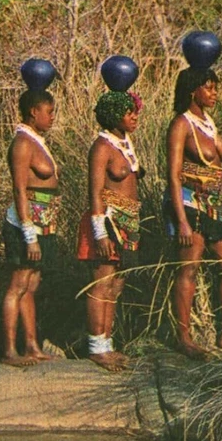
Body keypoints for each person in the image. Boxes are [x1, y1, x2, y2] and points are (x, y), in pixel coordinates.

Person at [165, 65, 222, 358]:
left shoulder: (207, 123)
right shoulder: (181, 125)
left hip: (216, 202)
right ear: (192, 90)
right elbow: (173, 175)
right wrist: (182, 221)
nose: (214, 93)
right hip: (189, 200)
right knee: (189, 268)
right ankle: (183, 337)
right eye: (208, 87)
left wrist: (212, 126)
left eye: (215, 87)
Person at [76, 66, 145, 372]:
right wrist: (100, 232)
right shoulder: (101, 148)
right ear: (113, 114)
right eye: (128, 113)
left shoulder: (125, 145)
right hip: (106, 220)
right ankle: (96, 347)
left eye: (134, 112)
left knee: (116, 285)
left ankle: (108, 344)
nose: (134, 117)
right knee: (101, 283)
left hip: (128, 220)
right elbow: (94, 193)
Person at [2, 63, 60, 367]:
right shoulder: (22, 144)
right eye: (48, 111)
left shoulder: (36, 140)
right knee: (17, 284)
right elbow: (19, 190)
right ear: (32, 112)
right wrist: (29, 234)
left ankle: (32, 345)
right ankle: (10, 350)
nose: (52, 117)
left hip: (42, 223)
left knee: (31, 285)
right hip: (24, 226)